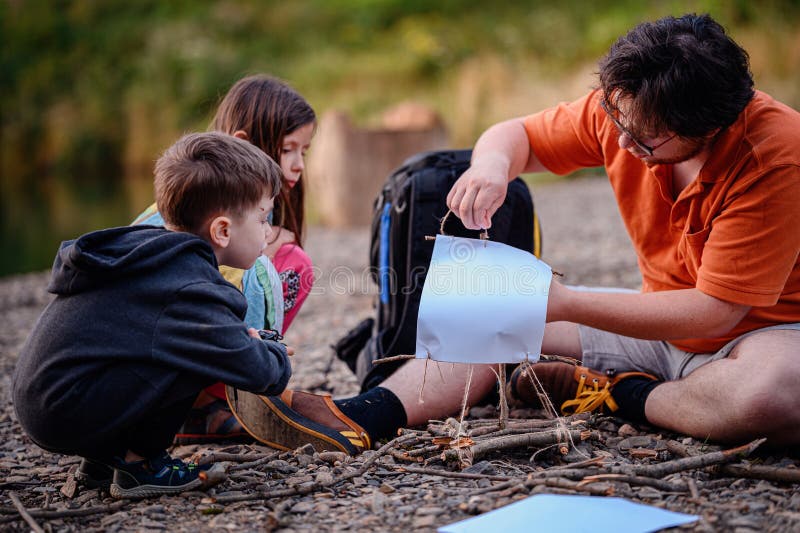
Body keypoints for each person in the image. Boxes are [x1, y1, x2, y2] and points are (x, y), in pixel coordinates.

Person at [235, 13, 800, 453]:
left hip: (761, 337)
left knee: (769, 396)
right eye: (616, 121)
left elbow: (713, 313)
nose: (623, 142)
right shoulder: (632, 105)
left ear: (709, 126)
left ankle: (621, 393)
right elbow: (515, 135)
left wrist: (565, 302)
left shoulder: (776, 156)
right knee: (488, 310)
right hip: (658, 322)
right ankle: (362, 415)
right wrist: (491, 168)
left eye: (645, 141)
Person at [12, 132, 292, 498]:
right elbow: (258, 374)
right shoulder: (189, 288)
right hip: (65, 412)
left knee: (171, 343)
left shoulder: (149, 256)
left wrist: (241, 340)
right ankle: (139, 464)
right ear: (222, 230)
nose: (268, 231)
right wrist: (275, 355)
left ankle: (102, 458)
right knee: (194, 355)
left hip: (46, 399)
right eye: (263, 218)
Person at [133, 75, 316, 443]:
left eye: (304, 152)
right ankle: (211, 400)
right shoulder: (188, 218)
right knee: (293, 265)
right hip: (162, 350)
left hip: (156, 355)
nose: (297, 164)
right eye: (287, 149)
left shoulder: (195, 198)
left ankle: (211, 396)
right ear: (243, 144)